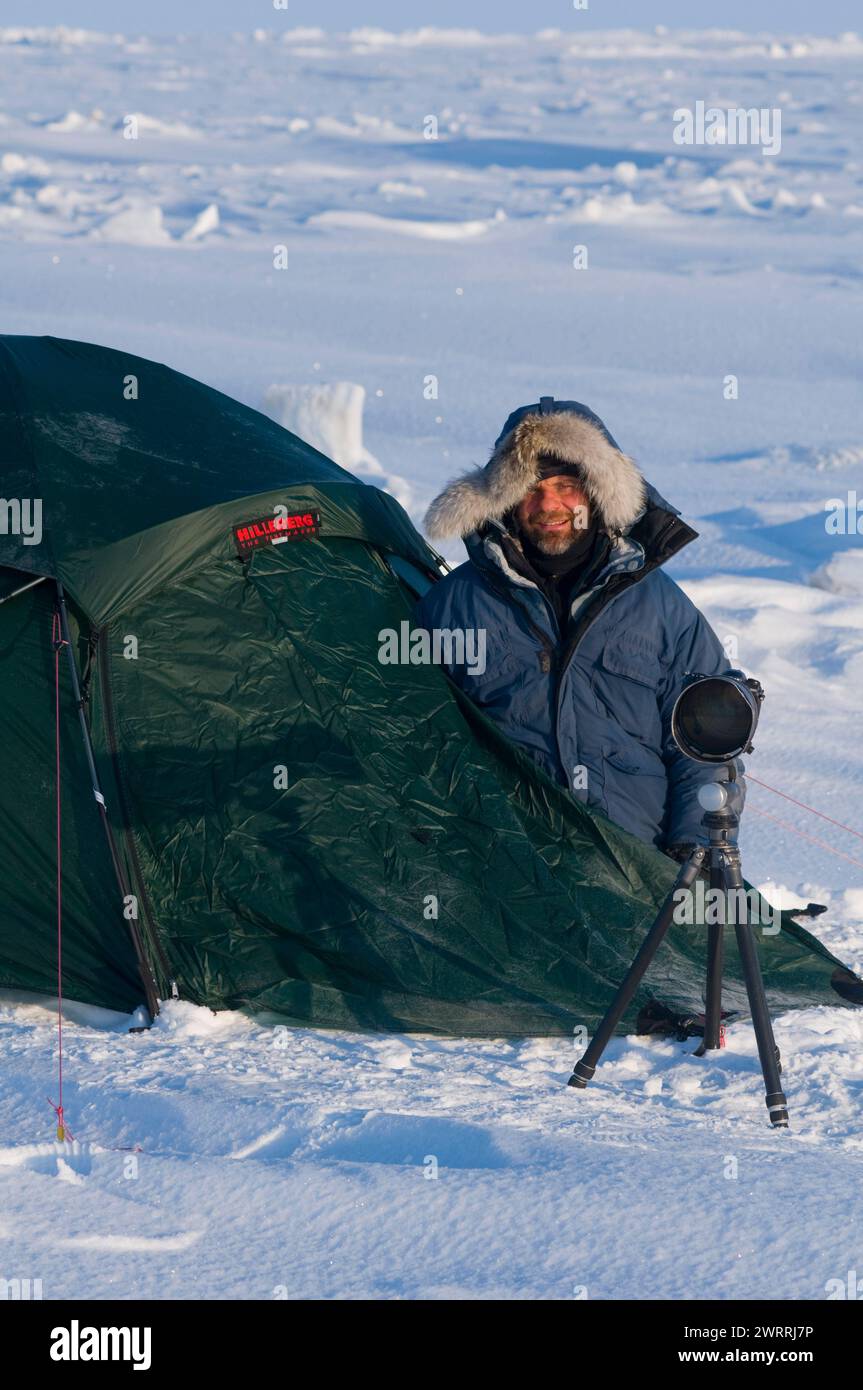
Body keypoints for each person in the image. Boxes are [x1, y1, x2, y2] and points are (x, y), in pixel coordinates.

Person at [416, 396, 744, 856]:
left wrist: (694, 847)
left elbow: (707, 746)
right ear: (506, 498)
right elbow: (423, 746)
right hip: (510, 870)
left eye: (567, 485)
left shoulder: (660, 607)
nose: (549, 504)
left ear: (596, 491)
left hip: (641, 867)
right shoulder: (454, 608)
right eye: (531, 487)